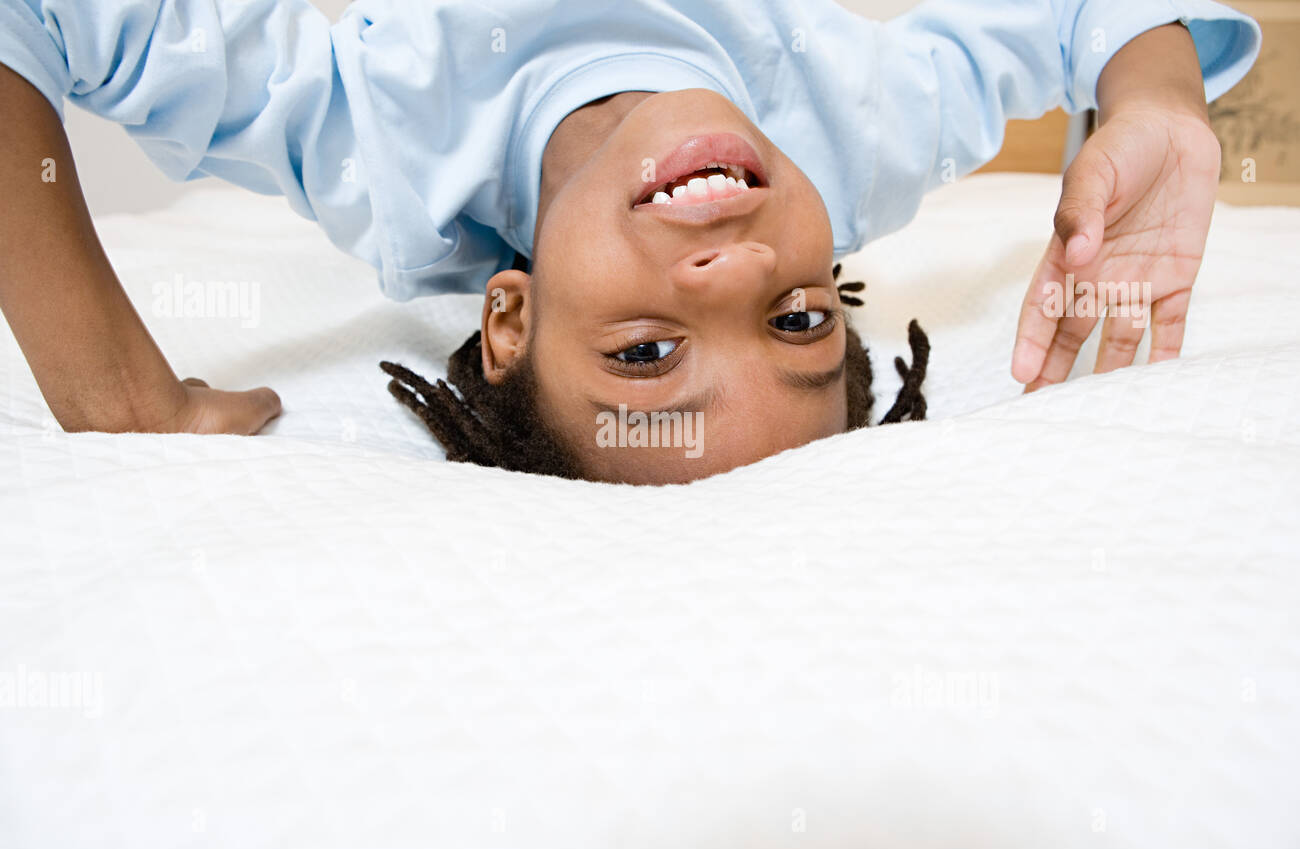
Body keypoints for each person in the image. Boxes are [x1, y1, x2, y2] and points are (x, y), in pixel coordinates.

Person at [0, 0, 1260, 482]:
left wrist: (116, 393)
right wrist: (1152, 98)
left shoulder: (377, 145)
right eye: (801, 321)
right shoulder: (848, 138)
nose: (736, 271)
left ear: (511, 317)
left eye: (648, 350)